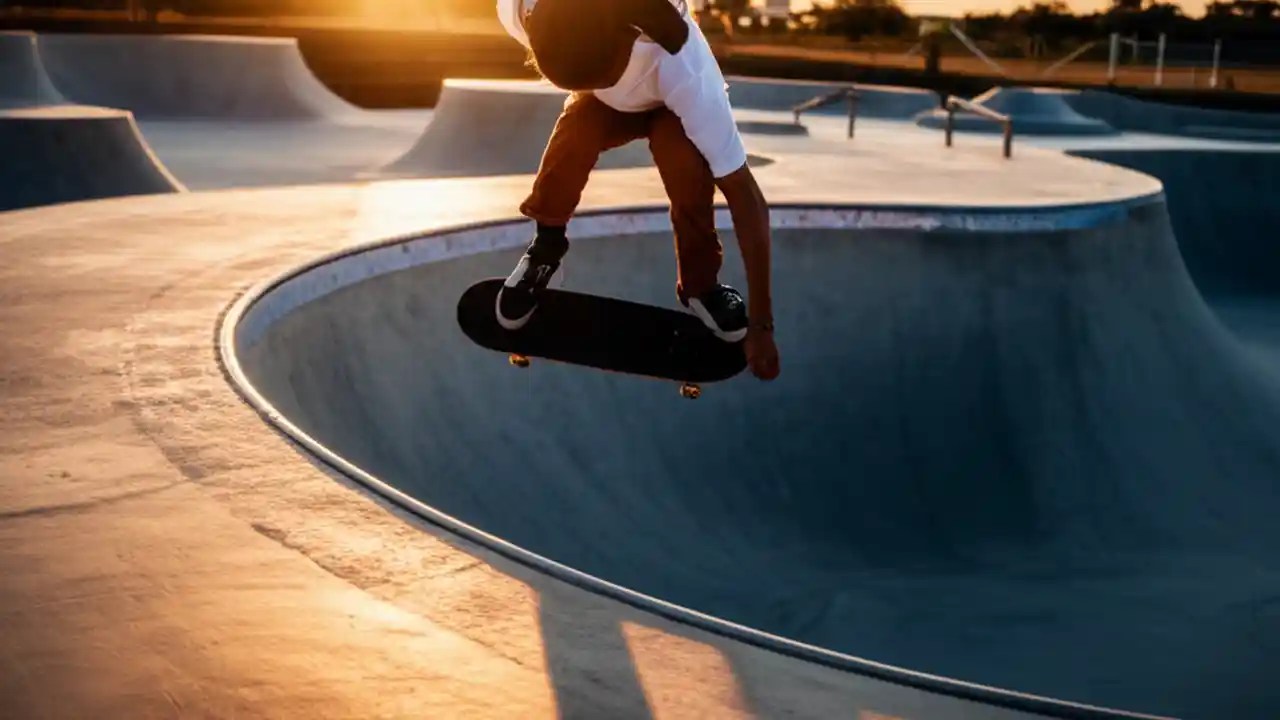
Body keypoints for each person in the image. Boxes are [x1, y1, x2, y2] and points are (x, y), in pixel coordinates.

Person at [493, 0, 780, 381]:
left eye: (603, 76)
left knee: (686, 166)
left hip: (670, 105)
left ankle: (701, 286)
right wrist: (587, 86)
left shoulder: (685, 69)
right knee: (576, 128)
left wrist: (761, 325)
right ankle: (546, 246)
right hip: (605, 101)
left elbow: (745, 194)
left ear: (628, 37)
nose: (593, 85)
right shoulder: (518, 8)